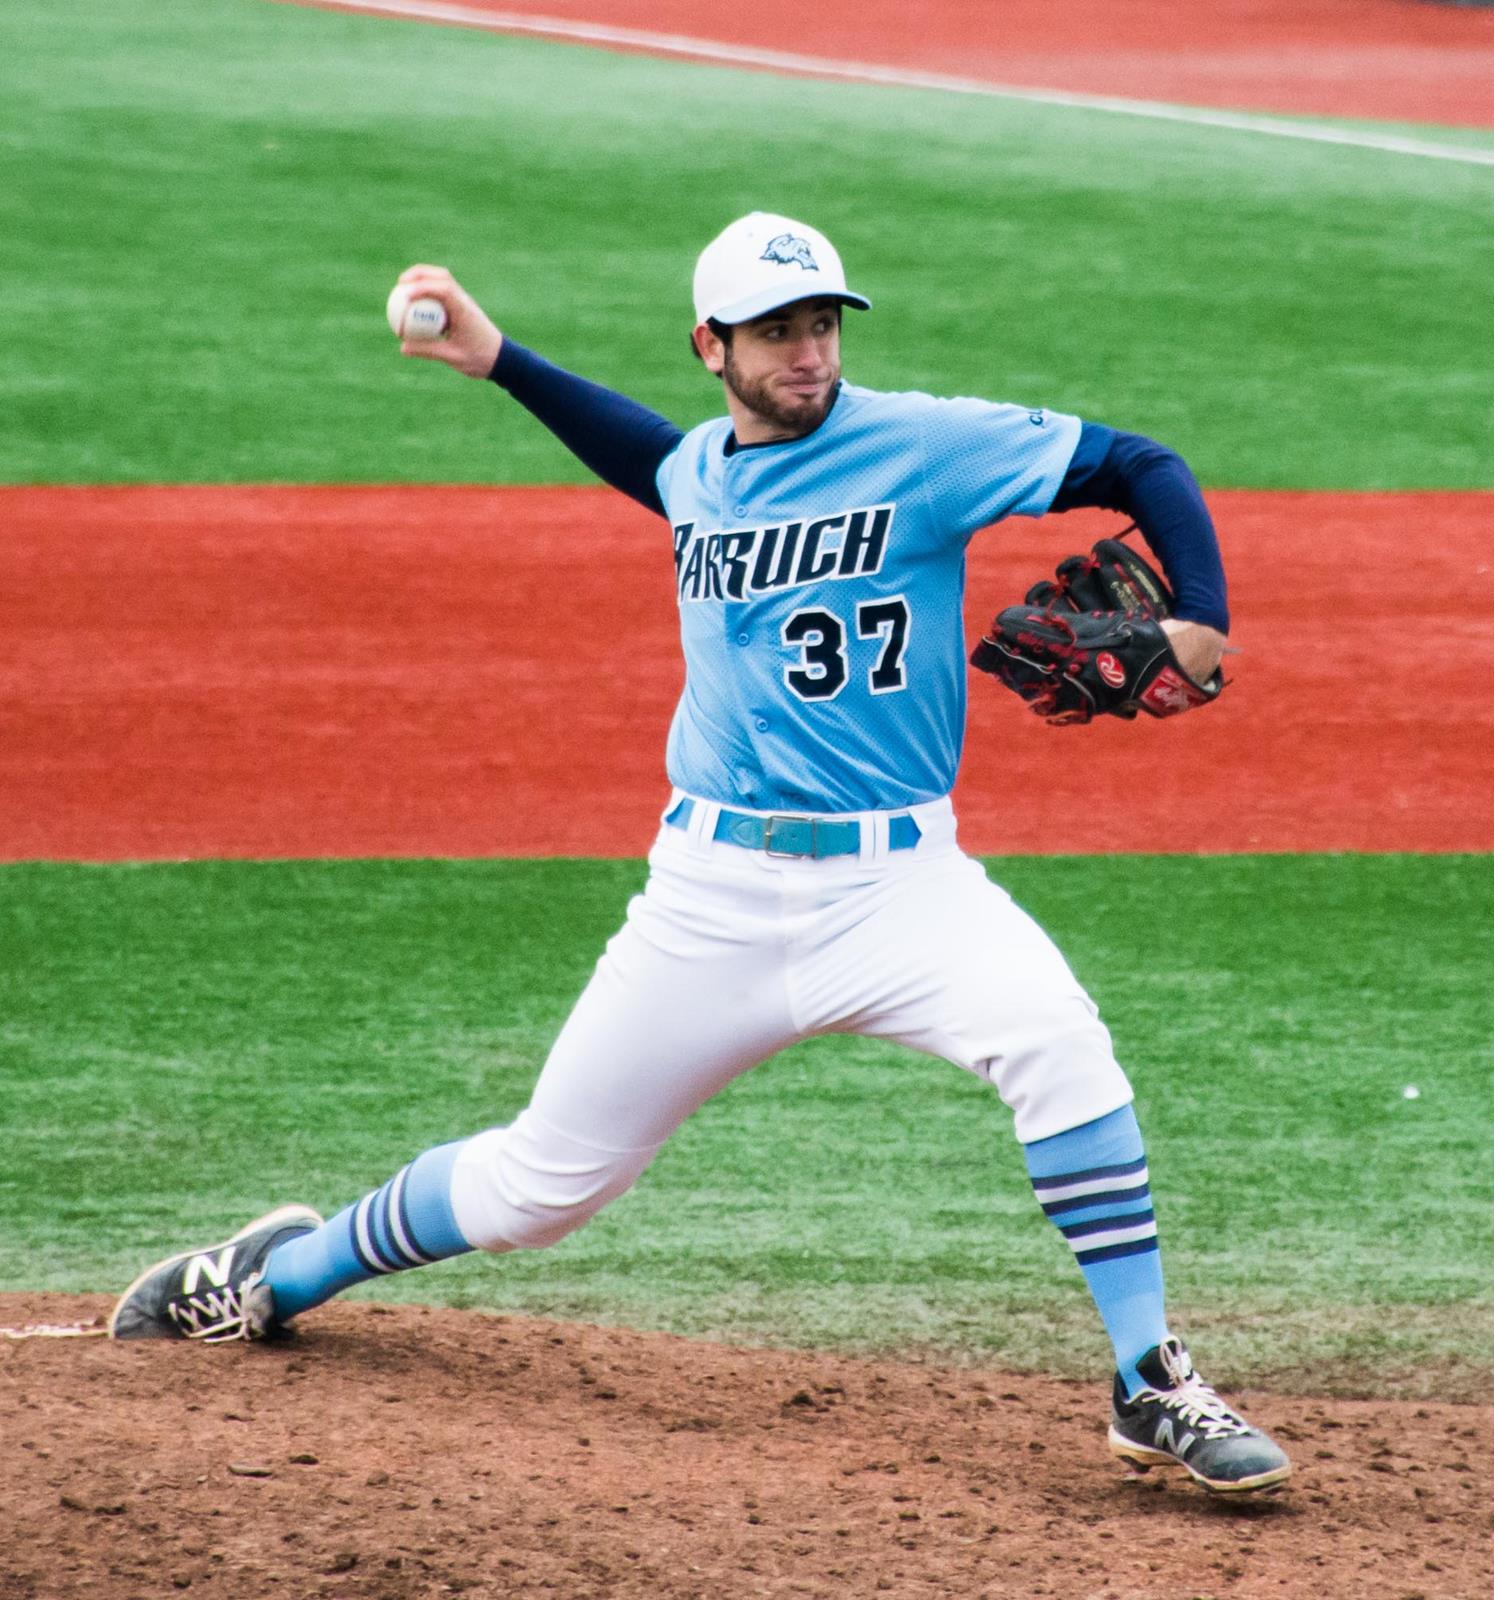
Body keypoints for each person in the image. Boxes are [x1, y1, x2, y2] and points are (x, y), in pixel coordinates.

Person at [111, 212, 1290, 1496]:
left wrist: (1200, 619)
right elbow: (655, 461)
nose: (808, 352)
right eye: (776, 331)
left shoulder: (926, 444)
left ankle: (1147, 1378)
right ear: (711, 346)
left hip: (901, 888)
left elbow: (1141, 462)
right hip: (710, 901)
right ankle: (276, 1273)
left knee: (1058, 1044)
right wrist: (497, 358)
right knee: (535, 1191)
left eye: (822, 324)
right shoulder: (703, 474)